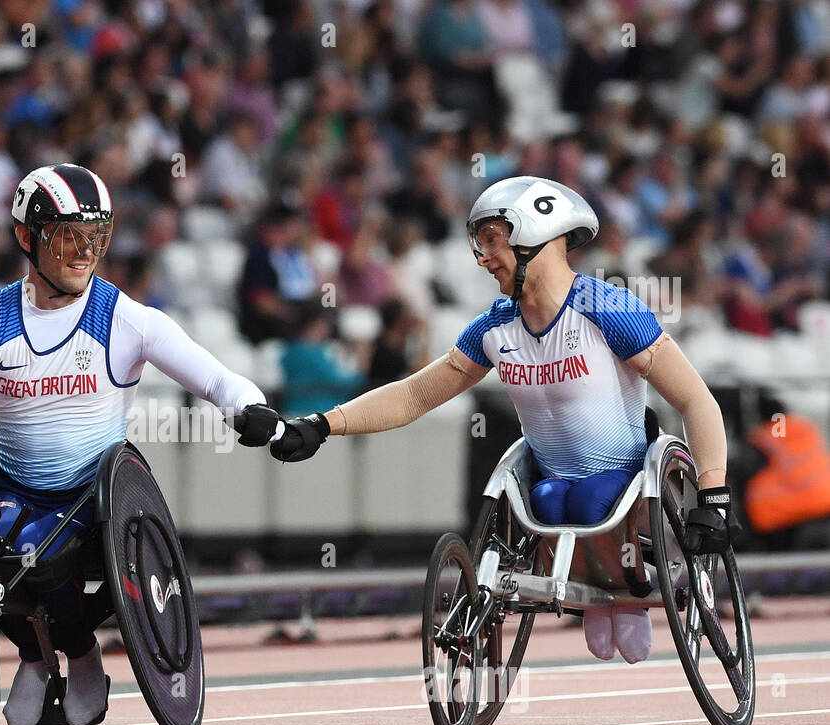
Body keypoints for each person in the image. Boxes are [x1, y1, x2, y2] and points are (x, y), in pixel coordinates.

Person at [272, 176, 737, 665]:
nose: (482, 257)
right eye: (479, 243)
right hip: (552, 489)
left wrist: (714, 494)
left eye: (492, 240)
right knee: (549, 498)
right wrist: (322, 425)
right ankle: (598, 588)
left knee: (583, 497)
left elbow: (695, 399)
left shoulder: (609, 310)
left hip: (623, 485)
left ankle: (621, 583)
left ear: (534, 237)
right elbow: (413, 396)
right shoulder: (495, 327)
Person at [0, 163, 279, 725]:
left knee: (33, 557)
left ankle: (79, 651)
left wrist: (249, 409)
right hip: (13, 488)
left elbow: (219, 380)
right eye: (69, 236)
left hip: (94, 498)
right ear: (27, 237)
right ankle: (34, 653)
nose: (84, 253)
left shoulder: (126, 319)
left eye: (96, 237)